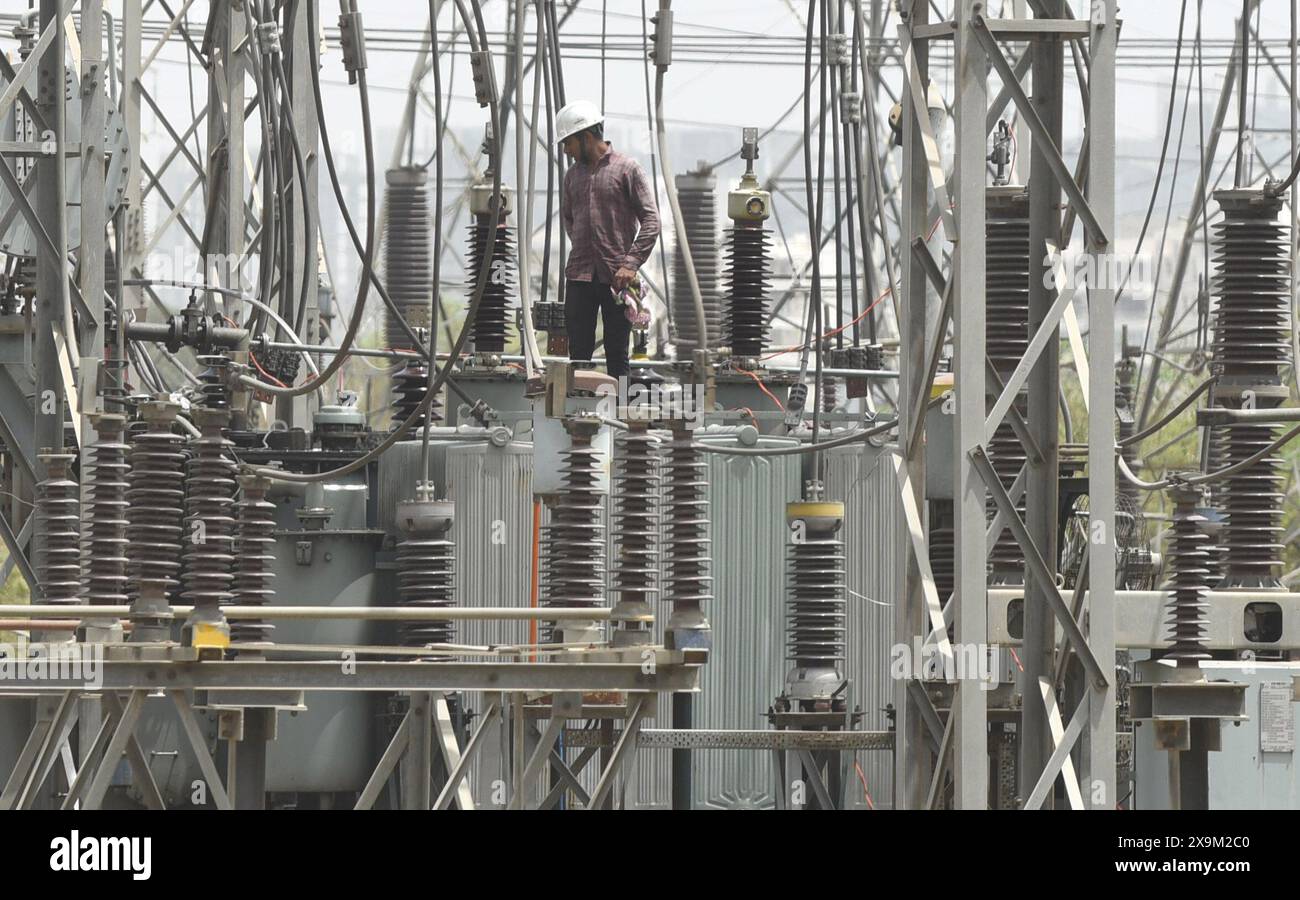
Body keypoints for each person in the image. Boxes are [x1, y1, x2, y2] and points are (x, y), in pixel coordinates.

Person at [556, 100, 660, 378]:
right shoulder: (572, 177)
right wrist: (584, 247)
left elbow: (651, 220)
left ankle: (621, 417)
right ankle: (580, 415)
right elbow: (570, 219)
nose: (566, 150)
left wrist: (630, 264)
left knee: (617, 354)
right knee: (578, 355)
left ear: (586, 137)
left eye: (569, 142)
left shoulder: (627, 169)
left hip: (618, 279)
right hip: (580, 277)